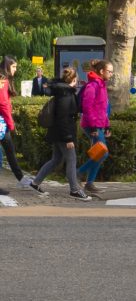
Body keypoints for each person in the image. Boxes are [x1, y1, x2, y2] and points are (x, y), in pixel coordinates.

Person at [28, 66, 90, 201]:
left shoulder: (62, 91)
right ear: (73, 80)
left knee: (56, 159)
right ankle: (74, 189)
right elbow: (63, 118)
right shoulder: (66, 94)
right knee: (71, 160)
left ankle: (35, 183)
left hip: (57, 132)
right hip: (63, 134)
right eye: (77, 79)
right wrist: (68, 138)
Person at [77, 58, 112, 199]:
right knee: (102, 153)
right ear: (102, 71)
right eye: (109, 71)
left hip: (99, 124)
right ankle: (78, 173)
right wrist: (92, 126)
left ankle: (89, 183)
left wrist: (107, 124)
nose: (111, 74)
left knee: (99, 153)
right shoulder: (93, 85)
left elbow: (103, 108)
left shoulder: (101, 85)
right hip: (91, 125)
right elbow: (87, 107)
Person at [0, 56, 28, 191]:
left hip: (2, 122)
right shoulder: (3, 80)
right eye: (14, 67)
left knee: (9, 151)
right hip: (1, 123)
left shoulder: (3, 80)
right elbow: (3, 104)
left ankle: (21, 178)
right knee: (7, 152)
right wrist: (10, 123)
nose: (15, 70)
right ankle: (21, 179)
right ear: (7, 67)